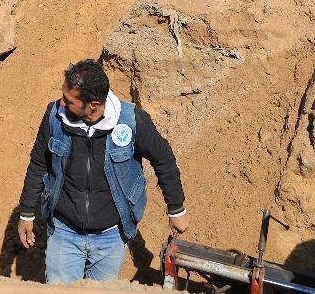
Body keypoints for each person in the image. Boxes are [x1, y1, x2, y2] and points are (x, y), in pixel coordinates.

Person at [15, 59, 188, 284]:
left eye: (70, 101)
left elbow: (163, 159)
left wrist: (176, 209)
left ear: (94, 104)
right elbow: (39, 164)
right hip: (64, 232)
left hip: (111, 237)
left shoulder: (131, 121)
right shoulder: (54, 118)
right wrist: (26, 213)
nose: (62, 105)